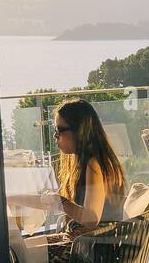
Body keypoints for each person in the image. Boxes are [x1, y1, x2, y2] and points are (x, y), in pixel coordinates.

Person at [52, 98, 127, 233]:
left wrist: (59, 201)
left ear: (79, 130)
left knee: (25, 251)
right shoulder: (93, 159)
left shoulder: (94, 164)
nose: (55, 135)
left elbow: (91, 218)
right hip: (91, 243)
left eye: (59, 130)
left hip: (97, 248)